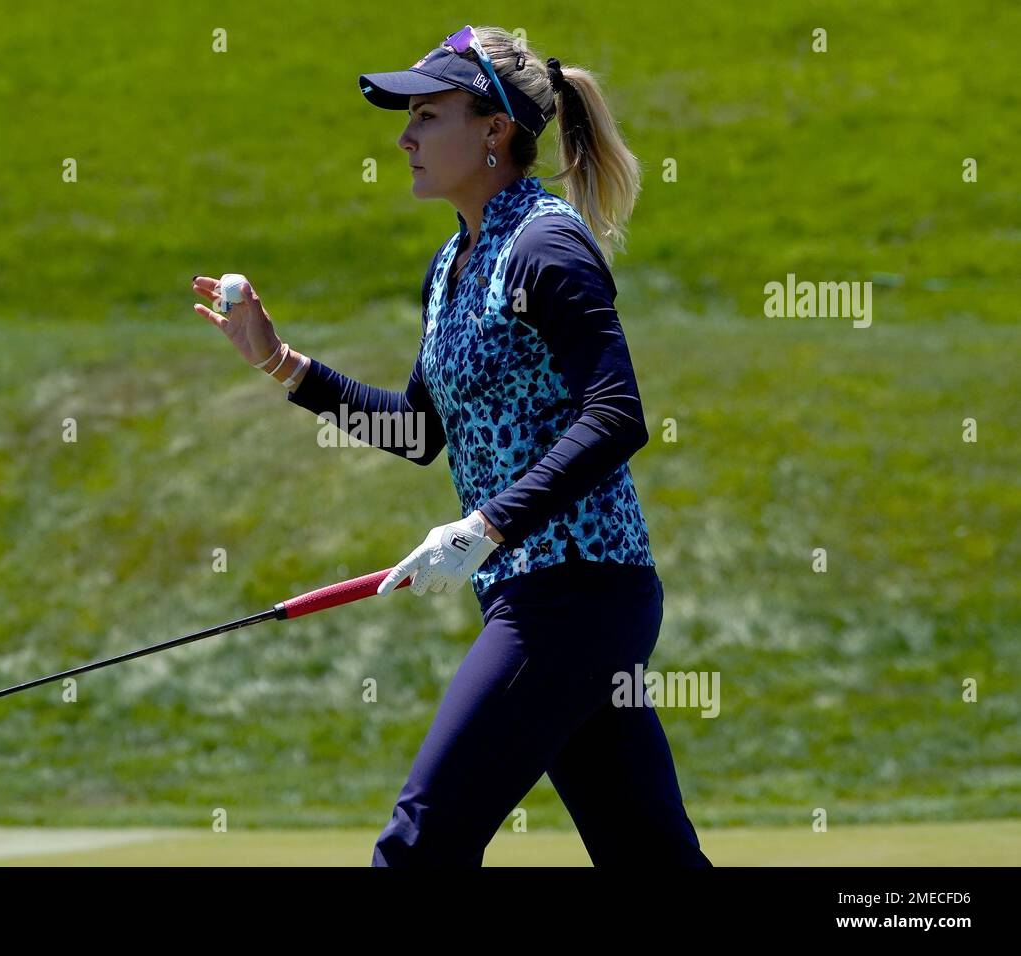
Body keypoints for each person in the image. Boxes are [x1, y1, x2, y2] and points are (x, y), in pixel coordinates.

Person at [191, 24, 710, 868]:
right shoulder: (455, 263)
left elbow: (617, 415)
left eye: (427, 116)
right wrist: (281, 364)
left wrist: (486, 526)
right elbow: (422, 431)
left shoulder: (545, 243)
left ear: (494, 130)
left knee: (418, 850)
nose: (403, 137)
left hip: (573, 597)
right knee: (649, 857)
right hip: (548, 598)